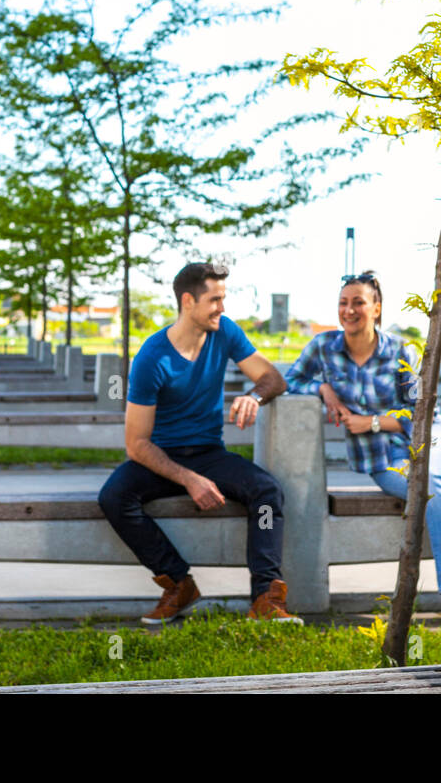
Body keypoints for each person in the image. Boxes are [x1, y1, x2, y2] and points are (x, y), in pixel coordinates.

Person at [285, 272, 441, 622]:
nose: (349, 310)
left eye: (358, 302)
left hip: (430, 439)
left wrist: (371, 422)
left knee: (432, 482)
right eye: (343, 303)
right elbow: (291, 379)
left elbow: (424, 410)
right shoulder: (323, 348)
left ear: (376, 307)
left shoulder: (399, 350)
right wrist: (322, 389)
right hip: (383, 459)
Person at [97, 262, 302, 624]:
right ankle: (178, 583)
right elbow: (137, 444)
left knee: (267, 493)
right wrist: (189, 479)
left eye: (223, 299)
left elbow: (273, 378)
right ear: (188, 301)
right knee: (114, 497)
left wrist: (254, 396)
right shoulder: (152, 357)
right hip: (162, 457)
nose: (222, 309)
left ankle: (265, 597)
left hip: (209, 453)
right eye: (215, 300)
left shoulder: (225, 332)